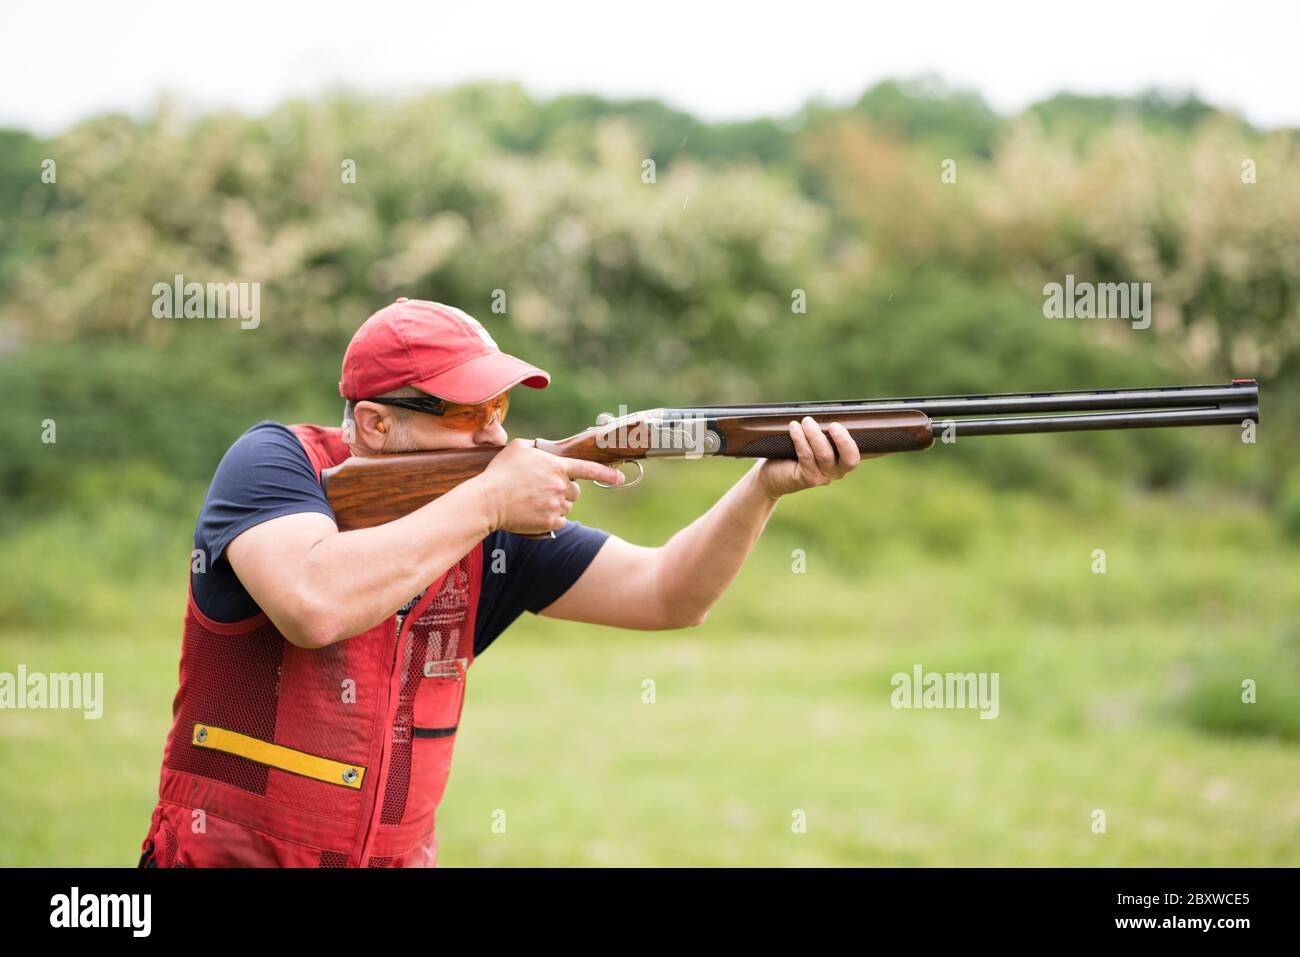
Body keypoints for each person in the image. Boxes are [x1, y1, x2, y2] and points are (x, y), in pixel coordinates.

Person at [139, 298, 861, 867]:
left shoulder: (491, 526)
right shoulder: (272, 462)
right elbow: (313, 602)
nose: (495, 437)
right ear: (375, 424)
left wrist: (762, 487)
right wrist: (487, 503)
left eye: (501, 410)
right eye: (466, 414)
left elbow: (670, 592)